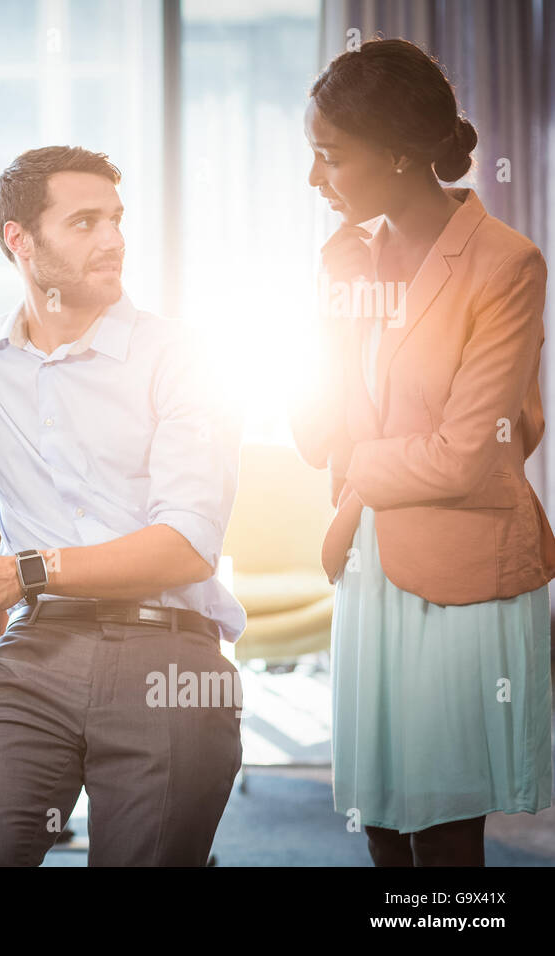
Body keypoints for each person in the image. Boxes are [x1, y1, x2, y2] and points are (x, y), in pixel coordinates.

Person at [0, 146, 245, 866]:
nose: (114, 240)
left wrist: (25, 571)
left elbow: (188, 545)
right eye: (86, 222)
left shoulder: (182, 358)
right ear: (20, 241)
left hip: (168, 651)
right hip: (33, 656)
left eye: (117, 220)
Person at [294, 38, 555, 866]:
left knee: (443, 832)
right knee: (378, 815)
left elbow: (462, 458)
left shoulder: (504, 263)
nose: (315, 181)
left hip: (461, 564)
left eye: (330, 158)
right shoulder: (351, 262)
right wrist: (332, 312)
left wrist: (359, 477)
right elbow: (311, 436)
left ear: (399, 154)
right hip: (372, 563)